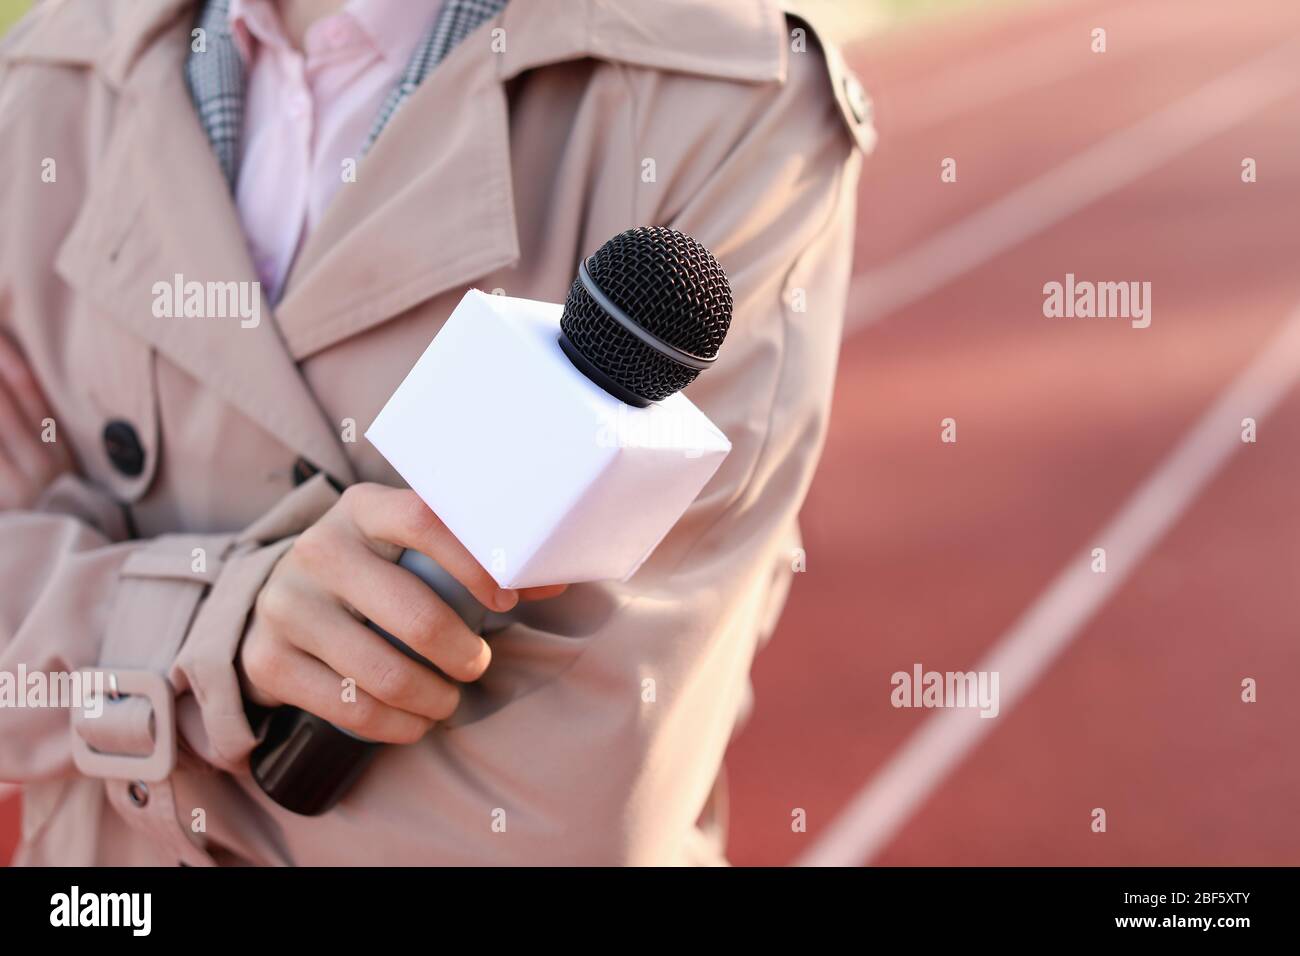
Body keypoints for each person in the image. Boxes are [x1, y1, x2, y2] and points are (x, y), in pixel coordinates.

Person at [0, 0, 872, 865]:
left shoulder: (723, 97)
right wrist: (215, 630)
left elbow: (558, 822)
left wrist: (98, 679)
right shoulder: (49, 73)